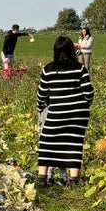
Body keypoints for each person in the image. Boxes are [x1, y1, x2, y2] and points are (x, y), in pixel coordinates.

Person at [35, 35, 93, 186]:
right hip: (79, 113)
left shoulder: (48, 69)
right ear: (71, 51)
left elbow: (42, 94)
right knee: (74, 142)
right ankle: (74, 181)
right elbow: (89, 92)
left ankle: (42, 178)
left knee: (47, 141)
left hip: (58, 110)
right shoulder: (80, 68)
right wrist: (84, 105)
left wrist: (40, 108)